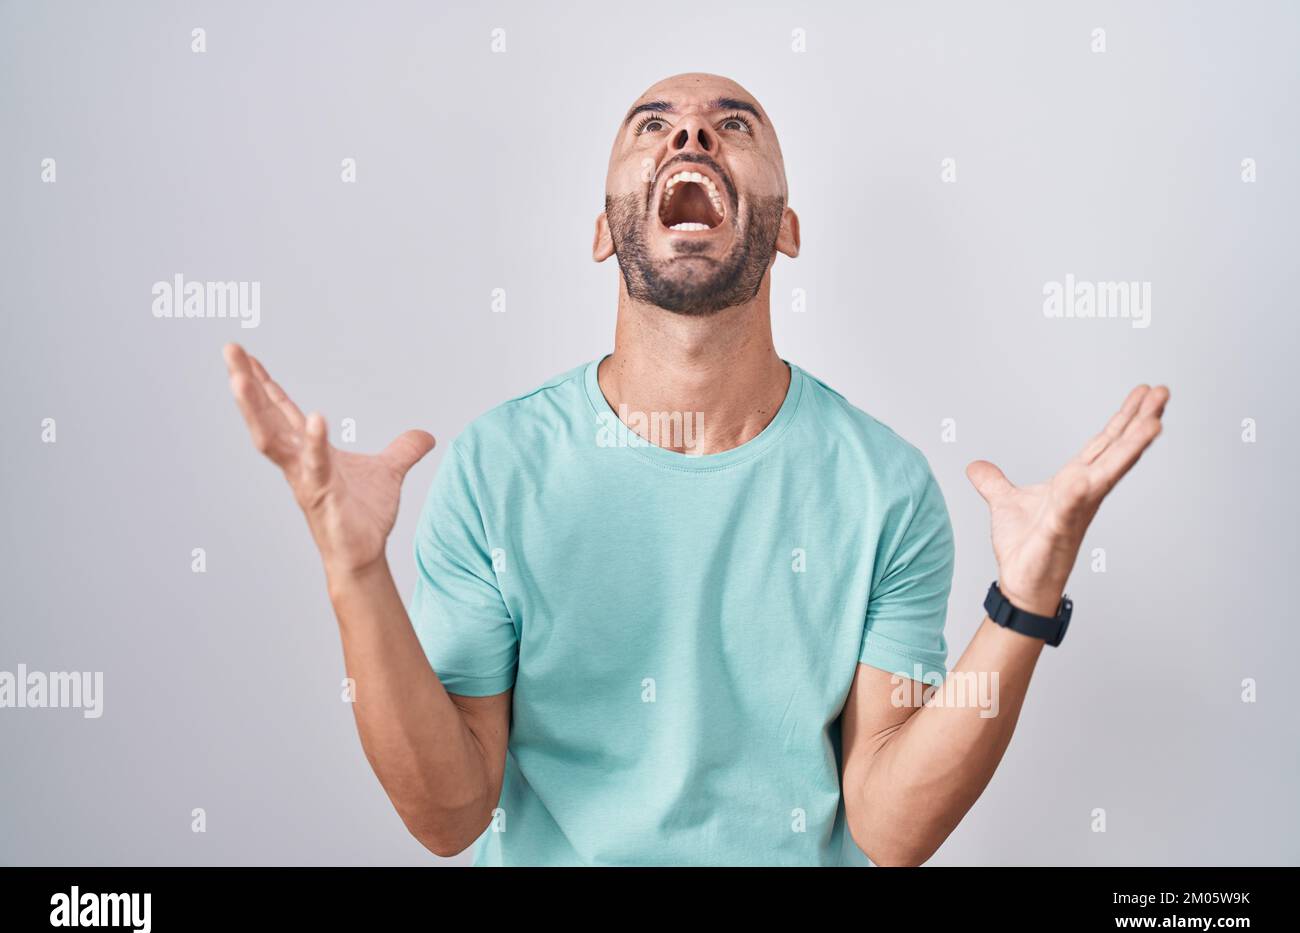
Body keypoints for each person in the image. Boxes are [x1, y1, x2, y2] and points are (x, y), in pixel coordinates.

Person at [221, 72, 1169, 865]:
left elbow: (890, 827)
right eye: (654, 125)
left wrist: (1025, 601)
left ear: (785, 227)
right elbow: (449, 815)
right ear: (605, 230)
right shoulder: (494, 469)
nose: (691, 134)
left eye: (733, 125)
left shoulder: (888, 487)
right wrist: (354, 571)